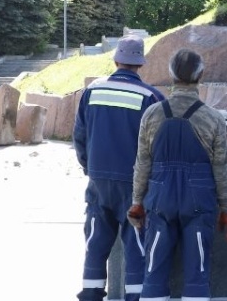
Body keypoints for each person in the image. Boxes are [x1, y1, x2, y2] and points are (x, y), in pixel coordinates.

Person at [128, 49, 227, 301]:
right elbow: (221, 168)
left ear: (171, 75)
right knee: (197, 274)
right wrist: (226, 209)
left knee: (153, 272)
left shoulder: (152, 114)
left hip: (159, 199)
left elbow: (142, 164)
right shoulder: (213, 118)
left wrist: (136, 202)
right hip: (199, 202)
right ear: (201, 75)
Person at [73, 35, 165, 301]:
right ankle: (134, 297)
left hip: (99, 179)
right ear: (140, 64)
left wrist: (89, 168)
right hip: (133, 183)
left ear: (116, 60)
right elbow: (156, 146)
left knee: (96, 241)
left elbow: (79, 134)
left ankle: (91, 293)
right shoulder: (152, 97)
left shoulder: (92, 91)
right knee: (136, 243)